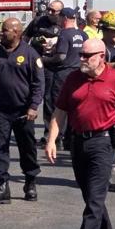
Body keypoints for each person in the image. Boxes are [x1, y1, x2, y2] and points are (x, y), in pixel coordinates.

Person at [44, 37, 115, 229]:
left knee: (95, 199)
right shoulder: (73, 78)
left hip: (102, 144)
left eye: (87, 56)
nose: (82, 60)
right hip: (77, 143)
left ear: (102, 57)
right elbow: (60, 111)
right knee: (90, 197)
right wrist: (52, 139)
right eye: (81, 55)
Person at [0, 17, 44, 204]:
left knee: (27, 148)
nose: (1, 33)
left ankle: (30, 182)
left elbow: (39, 83)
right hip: (1, 110)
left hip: (23, 111)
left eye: (5, 30)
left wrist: (33, 106)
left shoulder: (30, 54)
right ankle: (2, 187)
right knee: (0, 148)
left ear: (17, 33)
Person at [41, 8, 86, 148]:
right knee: (75, 105)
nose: (59, 20)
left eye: (60, 18)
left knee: (58, 105)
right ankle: (70, 139)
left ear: (64, 19)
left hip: (63, 73)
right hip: (79, 72)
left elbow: (61, 56)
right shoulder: (82, 34)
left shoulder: (64, 34)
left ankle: (57, 138)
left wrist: (45, 59)